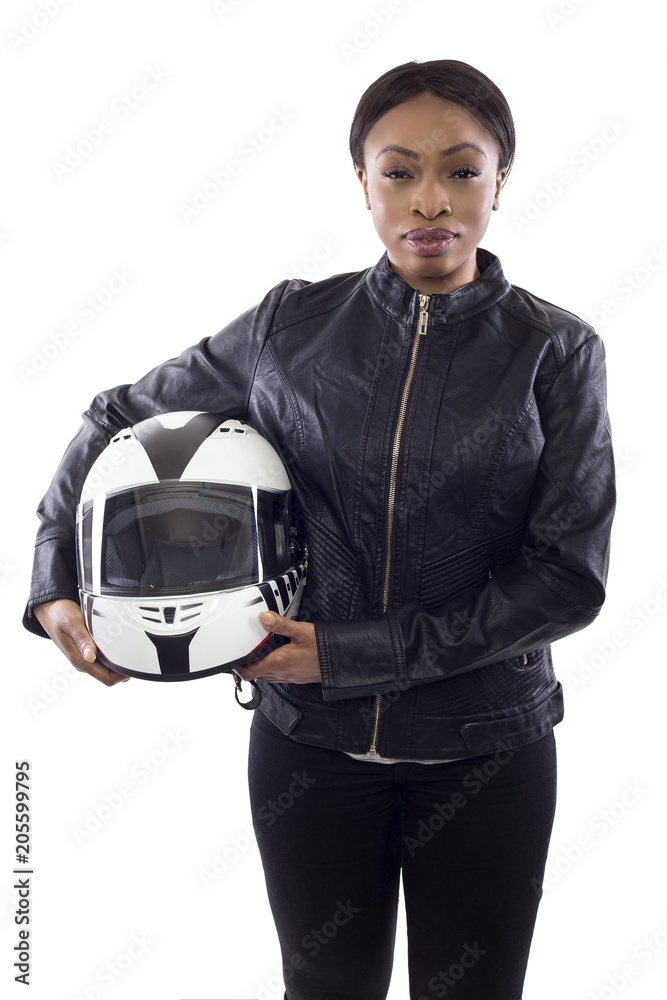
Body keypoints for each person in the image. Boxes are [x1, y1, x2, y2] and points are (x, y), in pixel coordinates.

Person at [23, 59, 616, 1000]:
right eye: (398, 169)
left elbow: (564, 578)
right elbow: (113, 416)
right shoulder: (288, 326)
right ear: (362, 182)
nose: (430, 198)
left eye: (462, 170)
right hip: (307, 750)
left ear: (501, 180)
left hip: (487, 751)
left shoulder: (555, 350)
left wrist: (346, 654)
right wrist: (55, 579)